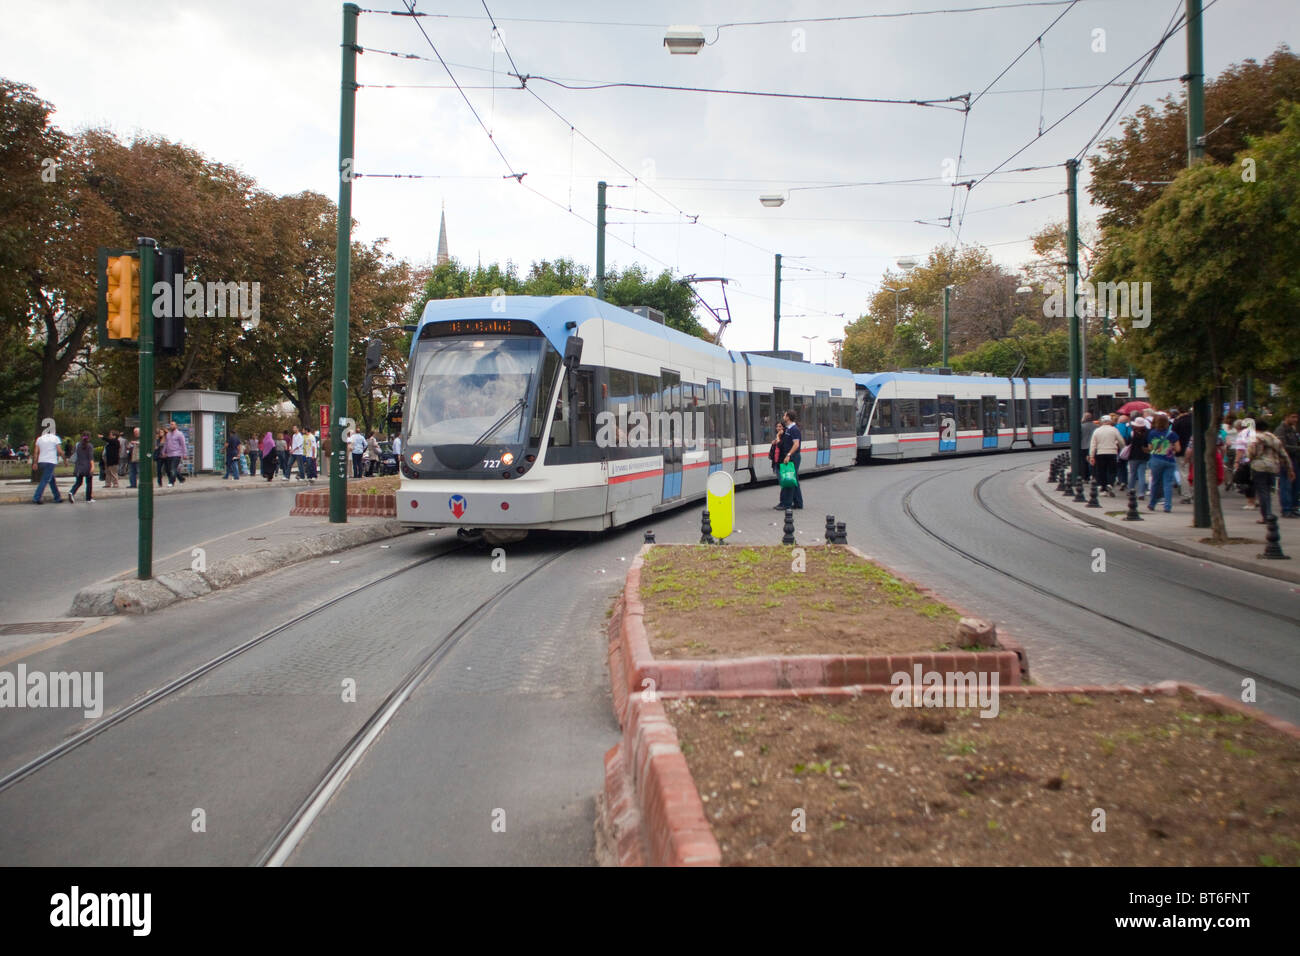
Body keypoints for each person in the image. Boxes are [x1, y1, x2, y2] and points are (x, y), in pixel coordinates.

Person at [1248, 418, 1295, 524]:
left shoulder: (1255, 438)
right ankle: (1268, 513)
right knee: (1268, 491)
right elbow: (1284, 454)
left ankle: (1266, 515)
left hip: (1259, 467)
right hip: (1273, 467)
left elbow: (1250, 453)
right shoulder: (1274, 438)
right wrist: (1290, 469)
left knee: (1262, 491)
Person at [1145, 413, 1181, 513]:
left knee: (1155, 482)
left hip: (1156, 459)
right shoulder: (1172, 434)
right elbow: (1178, 449)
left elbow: (1150, 448)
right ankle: (1167, 506)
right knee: (1167, 484)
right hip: (1169, 460)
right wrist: (1171, 448)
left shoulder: (1152, 433)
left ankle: (1152, 504)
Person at [1088, 414, 1125, 496]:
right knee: (1112, 470)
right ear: (1110, 421)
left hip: (1100, 453)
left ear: (1101, 422)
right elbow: (1121, 441)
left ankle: (1103, 488)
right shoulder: (1114, 430)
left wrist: (1091, 456)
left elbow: (1093, 445)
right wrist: (1122, 448)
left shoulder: (1097, 431)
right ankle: (1110, 484)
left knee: (1101, 471)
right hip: (1112, 452)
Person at [778, 410, 804, 511]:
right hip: (790, 456)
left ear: (788, 417)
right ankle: (798, 503)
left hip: (793, 457)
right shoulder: (788, 429)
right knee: (794, 480)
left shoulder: (794, 429)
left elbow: (796, 444)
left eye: (784, 415)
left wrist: (788, 455)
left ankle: (786, 504)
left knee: (789, 479)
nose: (783, 416)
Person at [31, 428, 64, 504]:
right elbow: (59, 451)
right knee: (45, 480)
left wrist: (35, 463)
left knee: (51, 480)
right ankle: (36, 497)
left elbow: (36, 452)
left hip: (42, 461)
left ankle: (57, 497)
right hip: (51, 461)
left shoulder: (39, 439)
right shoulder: (55, 438)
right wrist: (64, 460)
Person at [1277, 411, 1300, 518]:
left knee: (1295, 484)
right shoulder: (1281, 430)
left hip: (1294, 459)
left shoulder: (1292, 429)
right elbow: (1283, 447)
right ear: (1286, 417)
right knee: (1286, 484)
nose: (1295, 420)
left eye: (1296, 417)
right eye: (1293, 417)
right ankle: (1286, 509)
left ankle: (1294, 507)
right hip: (1285, 461)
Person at [1126, 417, 1151, 498]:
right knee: (1141, 475)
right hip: (1144, 456)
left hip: (1133, 455)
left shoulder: (1133, 433)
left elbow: (1128, 443)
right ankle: (1141, 493)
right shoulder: (1148, 433)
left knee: (1133, 474)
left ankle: (1130, 490)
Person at [69, 433, 95, 503]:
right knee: (89, 482)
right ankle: (88, 498)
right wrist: (92, 466)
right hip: (87, 466)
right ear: (89, 438)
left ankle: (72, 492)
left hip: (79, 466)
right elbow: (90, 457)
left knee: (78, 482)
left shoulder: (78, 445)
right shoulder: (89, 446)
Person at [162, 421, 188, 486]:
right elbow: (166, 444)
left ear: (176, 426)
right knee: (169, 469)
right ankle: (181, 479)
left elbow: (183, 444)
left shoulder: (179, 434)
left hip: (177, 454)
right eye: (170, 425)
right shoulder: (168, 434)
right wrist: (163, 452)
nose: (171, 426)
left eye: (173, 424)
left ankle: (171, 482)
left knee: (173, 468)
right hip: (169, 454)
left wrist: (184, 453)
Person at [1114, 414, 1131, 490]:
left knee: (1119, 465)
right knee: (1124, 465)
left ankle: (1121, 480)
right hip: (1126, 448)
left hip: (1118, 447)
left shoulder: (1116, 427)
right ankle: (1125, 481)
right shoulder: (1128, 427)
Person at [1079, 413, 1096, 481]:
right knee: (1092, 461)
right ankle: (1093, 475)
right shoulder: (1096, 426)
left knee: (1084, 462)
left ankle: (1085, 477)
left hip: (1083, 446)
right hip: (1093, 447)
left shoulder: (1081, 426)